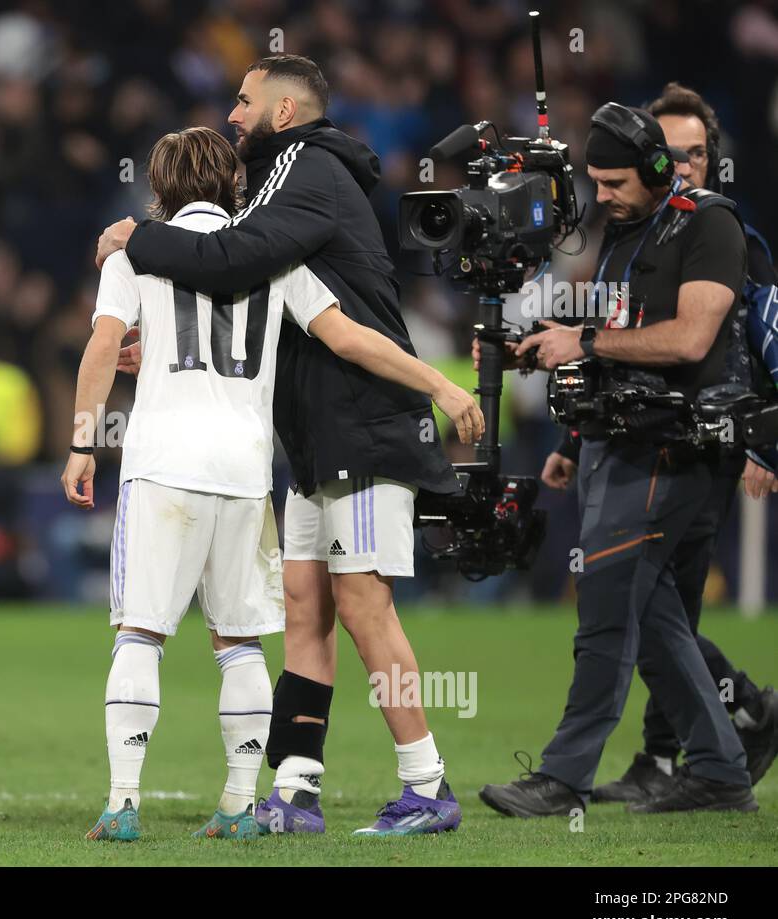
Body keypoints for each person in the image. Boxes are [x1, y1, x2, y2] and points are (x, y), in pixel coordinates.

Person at [70, 126, 481, 841]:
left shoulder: (136, 252)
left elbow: (104, 345)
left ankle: (124, 804)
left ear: (158, 190)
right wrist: (440, 385)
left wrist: (81, 441)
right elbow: (351, 336)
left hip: (162, 463)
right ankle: (238, 805)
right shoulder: (271, 258)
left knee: (139, 634)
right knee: (240, 643)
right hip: (245, 473)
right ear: (234, 185)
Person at [479, 103, 757, 816]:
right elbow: (617, 335)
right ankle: (723, 771)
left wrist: (588, 345)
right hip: (624, 443)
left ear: (659, 169)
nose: (600, 195)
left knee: (606, 610)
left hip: (675, 448)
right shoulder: (627, 230)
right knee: (657, 618)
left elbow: (692, 340)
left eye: (613, 182)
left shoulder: (709, 224)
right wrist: (562, 365)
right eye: (594, 182)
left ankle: (562, 777)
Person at [578, 83, 778, 802]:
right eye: (666, 153)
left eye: (691, 154)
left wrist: (766, 444)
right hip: (643, 435)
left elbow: (766, 344)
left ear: (707, 159)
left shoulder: (728, 236)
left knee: (651, 604)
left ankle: (715, 738)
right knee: (662, 609)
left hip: (709, 443)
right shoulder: (635, 231)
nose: (679, 166)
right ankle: (694, 747)